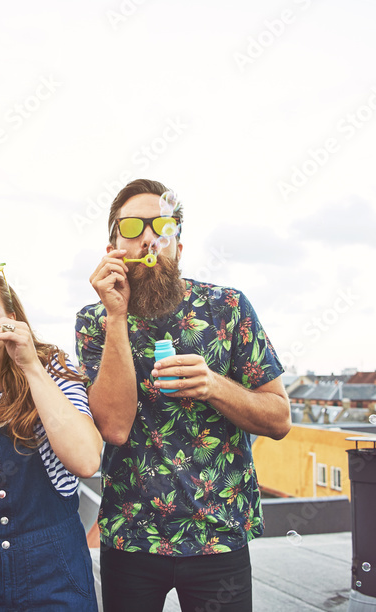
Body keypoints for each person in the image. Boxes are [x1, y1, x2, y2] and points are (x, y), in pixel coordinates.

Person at [75, 179, 291, 612]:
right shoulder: (95, 320)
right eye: (132, 227)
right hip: (131, 536)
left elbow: (279, 418)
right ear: (112, 247)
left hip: (219, 536)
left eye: (162, 226)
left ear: (179, 246)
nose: (149, 237)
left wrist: (214, 386)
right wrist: (116, 315)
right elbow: (114, 428)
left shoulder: (227, 307)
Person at [0, 264, 103, 611]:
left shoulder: (53, 374)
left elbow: (86, 460)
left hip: (57, 582)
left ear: (10, 317)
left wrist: (30, 365)